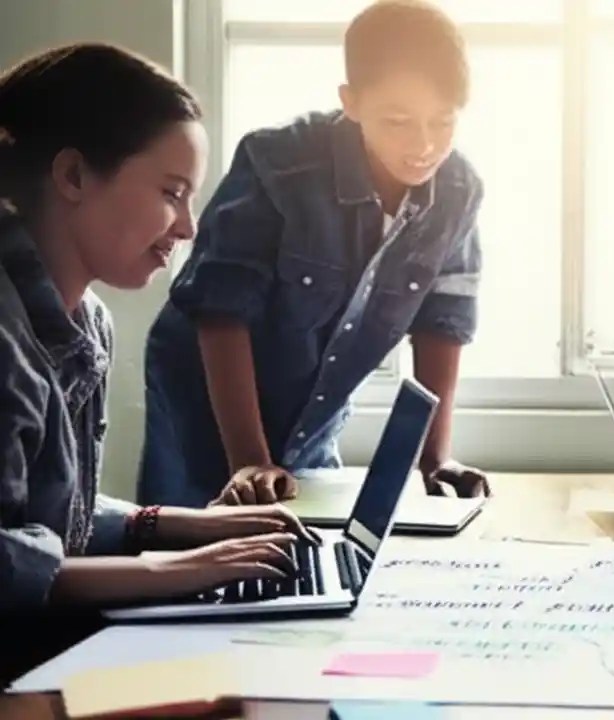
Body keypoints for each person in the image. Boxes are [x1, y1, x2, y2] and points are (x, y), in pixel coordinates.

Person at [0, 42, 315, 681]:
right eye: (173, 193)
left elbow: (58, 516)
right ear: (73, 177)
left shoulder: (87, 321)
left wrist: (179, 526)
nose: (189, 228)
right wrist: (170, 572)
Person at [141, 0, 488, 508]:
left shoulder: (458, 189)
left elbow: (444, 324)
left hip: (315, 408)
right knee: (199, 540)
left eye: (443, 123)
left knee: (306, 541)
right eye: (398, 121)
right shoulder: (278, 163)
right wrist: (249, 461)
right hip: (205, 399)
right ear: (350, 102)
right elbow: (221, 313)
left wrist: (436, 460)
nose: (424, 145)